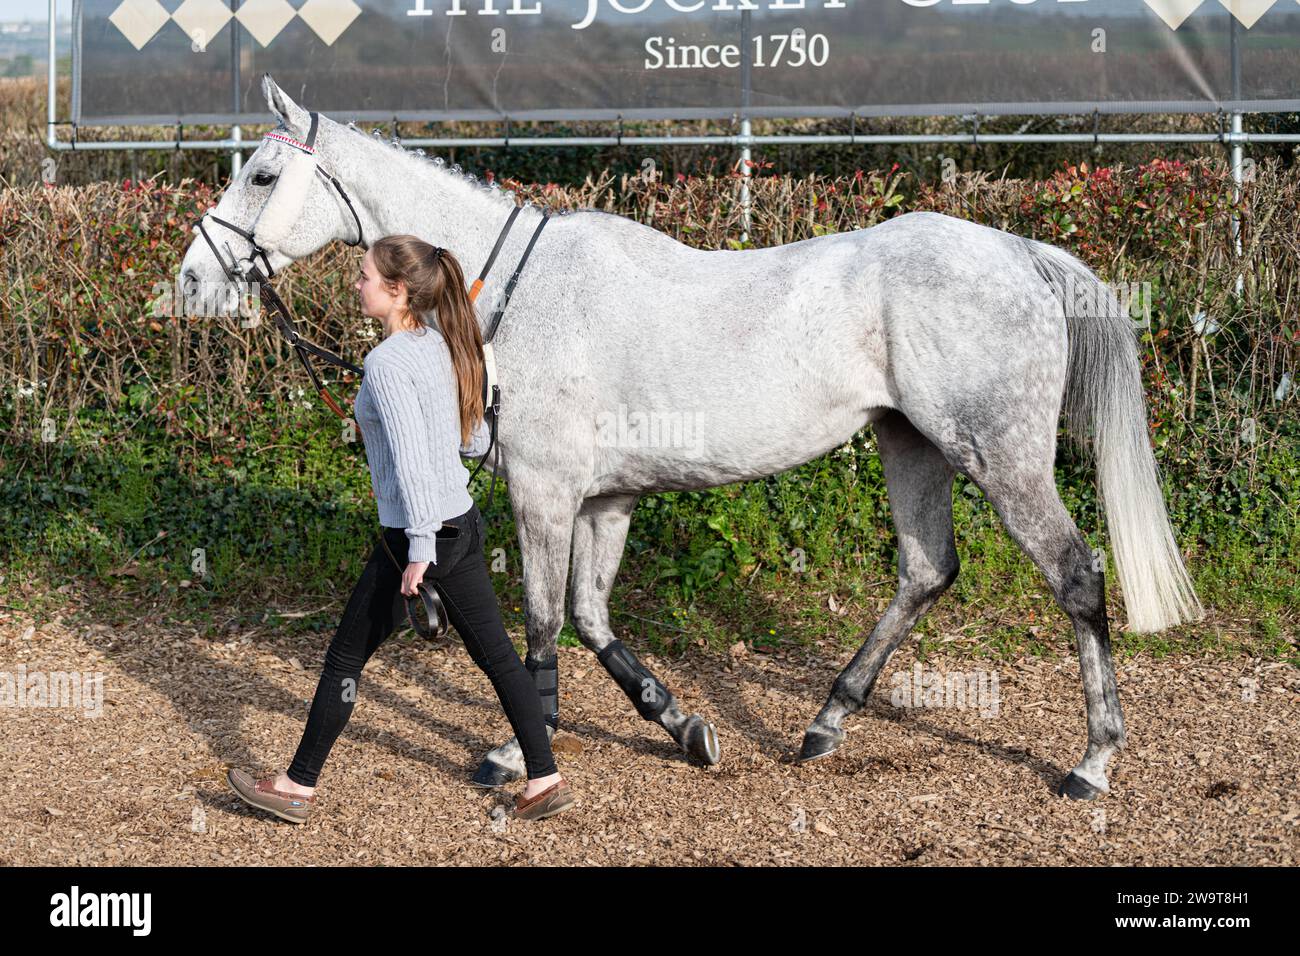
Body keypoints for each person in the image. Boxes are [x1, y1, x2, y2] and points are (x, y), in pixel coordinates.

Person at [228, 235, 574, 824]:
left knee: (343, 660)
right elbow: (469, 441)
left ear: (396, 290)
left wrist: (416, 549)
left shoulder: (386, 362)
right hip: (459, 521)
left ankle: (295, 786)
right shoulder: (436, 344)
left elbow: (413, 461)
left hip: (421, 535)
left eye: (364, 276)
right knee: (497, 657)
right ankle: (543, 779)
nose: (355, 284)